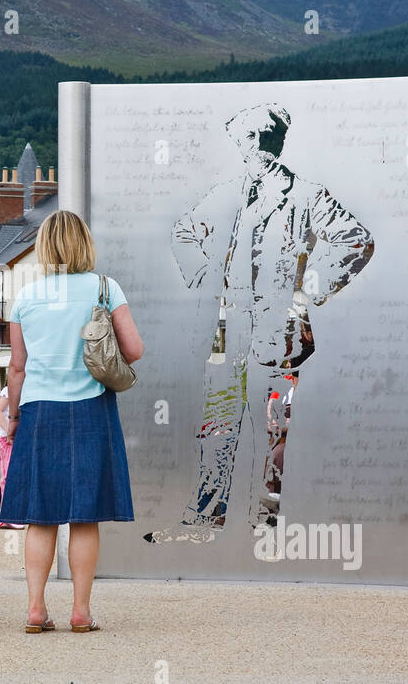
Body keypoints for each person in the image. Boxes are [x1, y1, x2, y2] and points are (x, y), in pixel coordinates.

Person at [146, 104, 374, 543]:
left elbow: (356, 240)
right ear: (239, 145)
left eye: (264, 138)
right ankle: (204, 519)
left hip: (281, 336)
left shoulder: (306, 195)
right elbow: (183, 233)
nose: (257, 148)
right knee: (217, 425)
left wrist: (307, 288)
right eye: (248, 140)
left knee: (273, 431)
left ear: (279, 141)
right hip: (228, 334)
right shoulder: (227, 194)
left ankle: (266, 522)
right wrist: (205, 276)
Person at [1, 210, 144, 633]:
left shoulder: (26, 296)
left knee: (39, 516)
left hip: (40, 411)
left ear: (44, 247)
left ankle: (35, 609)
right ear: (84, 242)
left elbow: (16, 368)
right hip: (91, 409)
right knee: (85, 515)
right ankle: (80, 612)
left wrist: (12, 417)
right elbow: (134, 350)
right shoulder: (105, 287)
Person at [0, 383, 25, 530]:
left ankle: (11, 515)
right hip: (5, 440)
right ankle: (8, 516)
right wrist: (9, 431)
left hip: (8, 439)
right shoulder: (9, 391)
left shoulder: (21, 390)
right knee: (9, 477)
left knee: (9, 476)